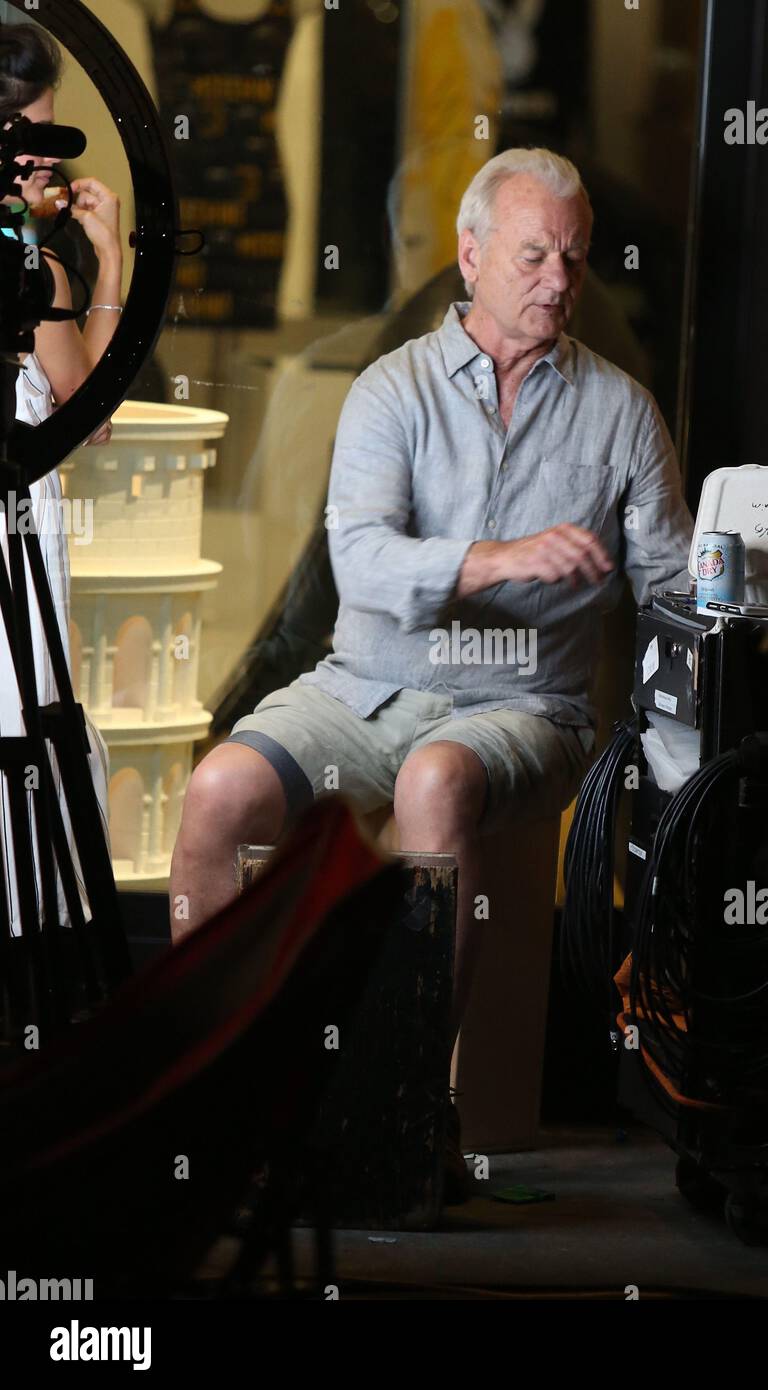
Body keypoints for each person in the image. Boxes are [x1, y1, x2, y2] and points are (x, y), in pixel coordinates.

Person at [170, 146, 693, 1188]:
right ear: (470, 256)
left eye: (573, 258)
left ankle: (408, 1119)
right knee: (219, 789)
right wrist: (500, 558)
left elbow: (672, 588)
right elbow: (360, 560)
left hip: (522, 705)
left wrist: (690, 724)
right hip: (361, 688)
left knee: (435, 778)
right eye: (534, 255)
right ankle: (217, 1091)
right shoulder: (391, 389)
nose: (558, 279)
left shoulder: (622, 412)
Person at [1, 23, 122, 935]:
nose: (48, 156)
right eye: (34, 135)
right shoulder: (28, 270)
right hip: (12, 537)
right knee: (20, 726)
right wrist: (110, 257)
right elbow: (95, 412)